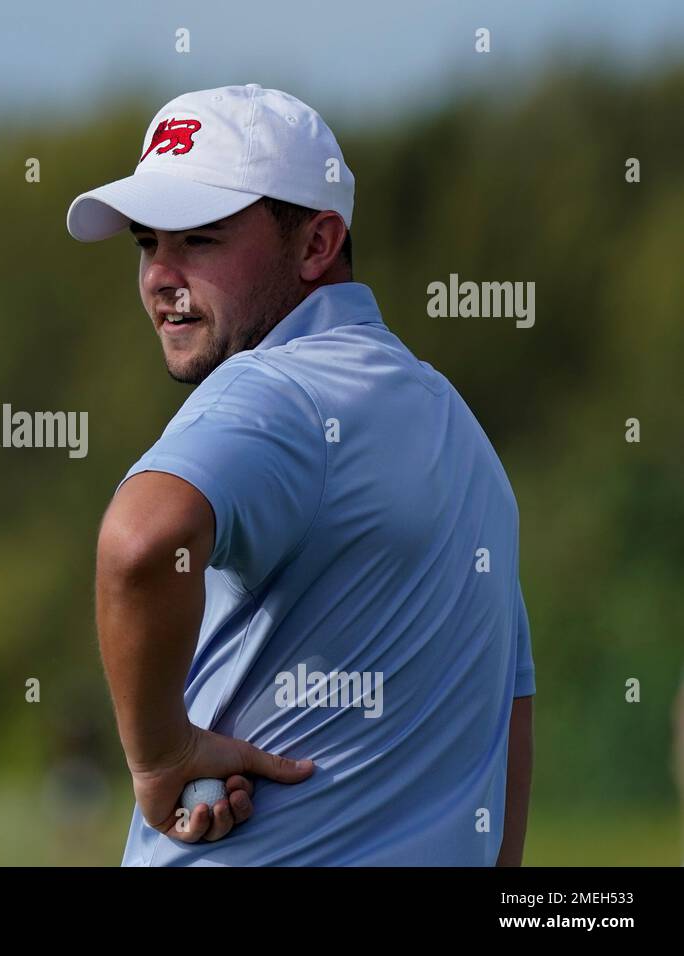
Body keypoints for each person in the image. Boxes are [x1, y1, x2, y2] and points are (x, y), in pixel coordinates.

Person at [69, 83, 535, 865]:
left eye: (201, 239)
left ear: (317, 244)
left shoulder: (273, 387)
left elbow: (140, 543)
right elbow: (507, 712)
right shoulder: (461, 432)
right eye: (148, 243)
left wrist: (159, 757)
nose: (160, 275)